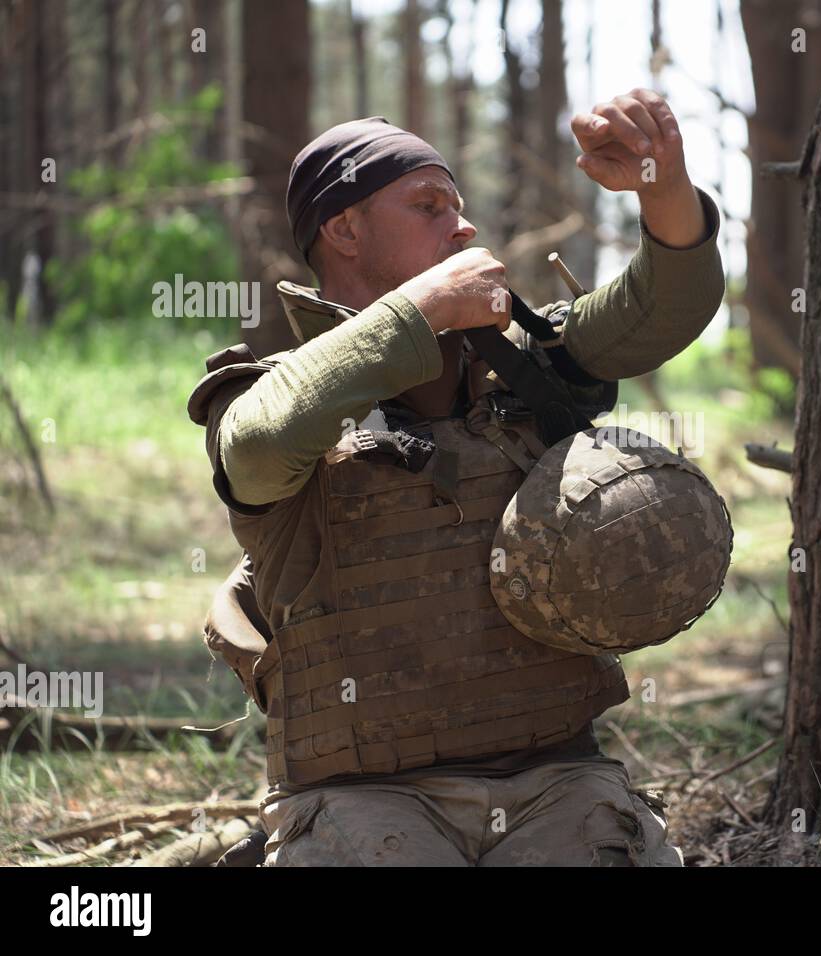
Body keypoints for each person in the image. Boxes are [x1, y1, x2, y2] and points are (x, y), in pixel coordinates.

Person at [187, 89, 727, 866]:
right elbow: (264, 443)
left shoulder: (528, 368)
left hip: (556, 786)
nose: (464, 226)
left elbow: (664, 307)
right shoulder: (264, 394)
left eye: (460, 206)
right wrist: (423, 309)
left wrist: (662, 185)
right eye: (430, 205)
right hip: (361, 802)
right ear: (344, 229)